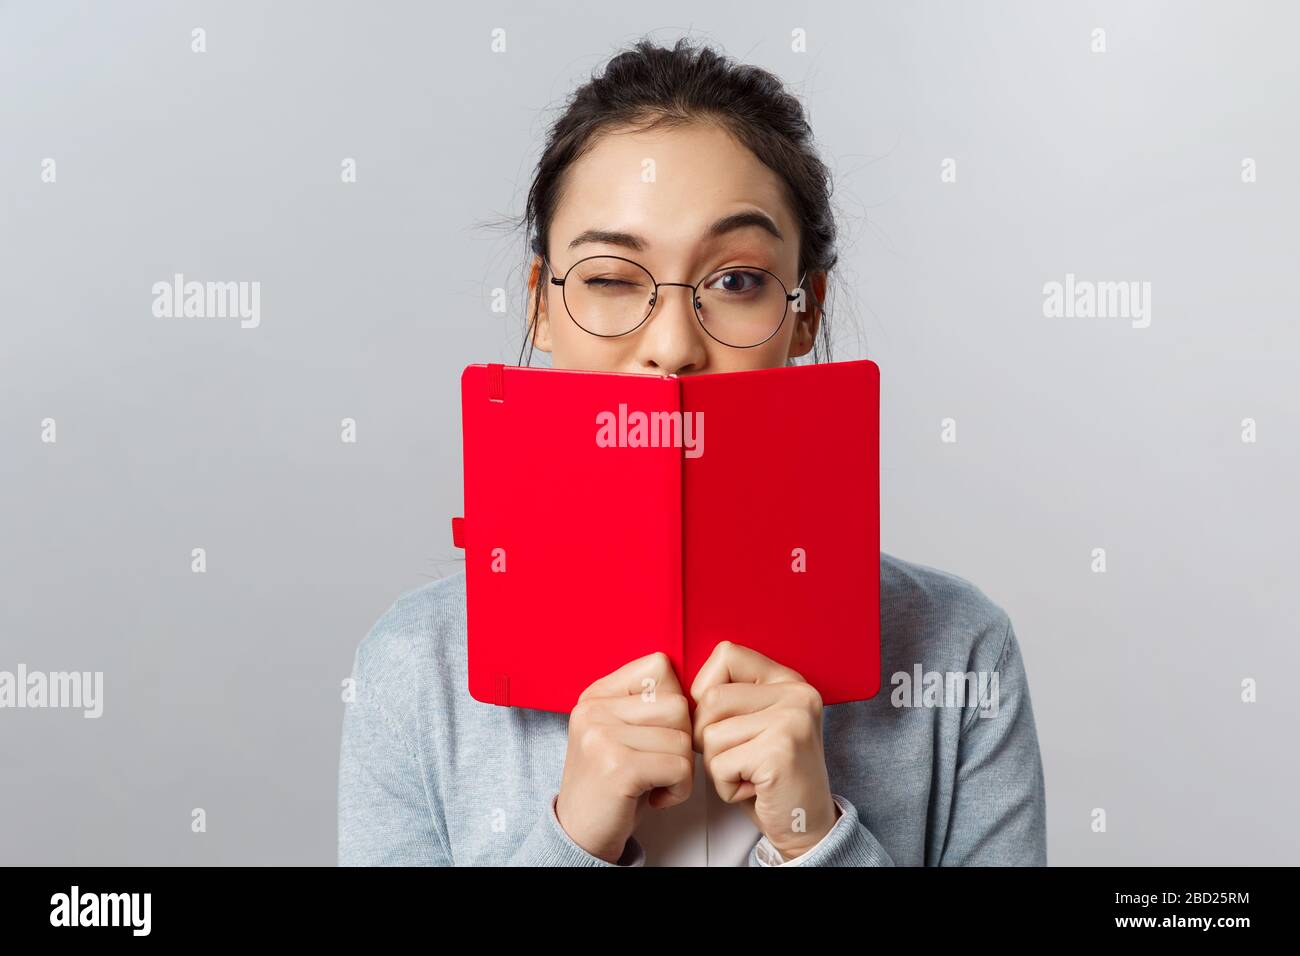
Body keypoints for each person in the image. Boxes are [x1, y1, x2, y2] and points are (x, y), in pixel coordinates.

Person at [338, 37, 1046, 866]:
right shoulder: (415, 668)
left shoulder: (958, 651)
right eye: (609, 277)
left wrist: (813, 840)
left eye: (736, 280)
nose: (672, 347)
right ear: (540, 305)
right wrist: (574, 841)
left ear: (807, 309)